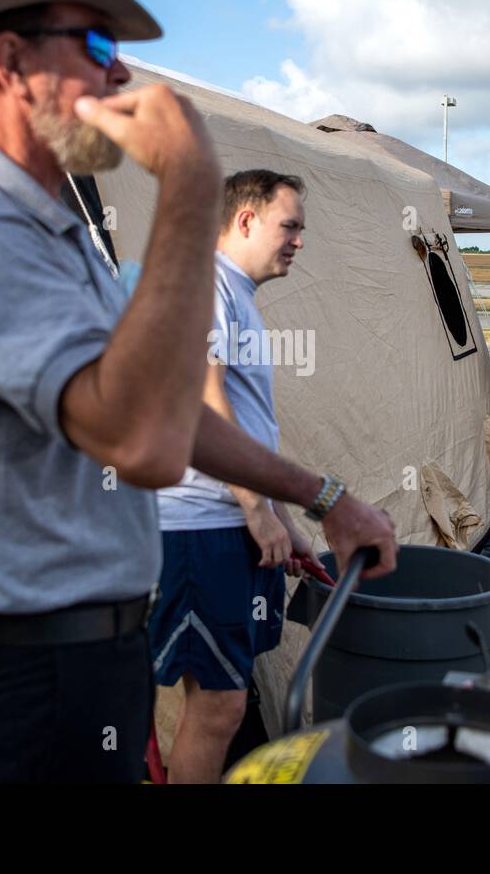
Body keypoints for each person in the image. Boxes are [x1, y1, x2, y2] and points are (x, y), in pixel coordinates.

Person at [0, 0, 397, 784]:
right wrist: (190, 185)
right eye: (100, 48)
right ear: (12, 62)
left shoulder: (47, 226)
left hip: (78, 659)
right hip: (17, 679)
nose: (123, 77)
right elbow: (144, 443)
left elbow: (172, 409)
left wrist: (323, 497)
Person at [153, 169, 315, 783]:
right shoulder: (205, 284)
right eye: (290, 226)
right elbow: (205, 397)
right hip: (201, 527)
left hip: (232, 521)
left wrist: (282, 517)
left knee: (225, 696)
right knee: (218, 706)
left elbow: (247, 423)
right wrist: (253, 507)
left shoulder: (237, 294)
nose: (299, 241)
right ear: (246, 220)